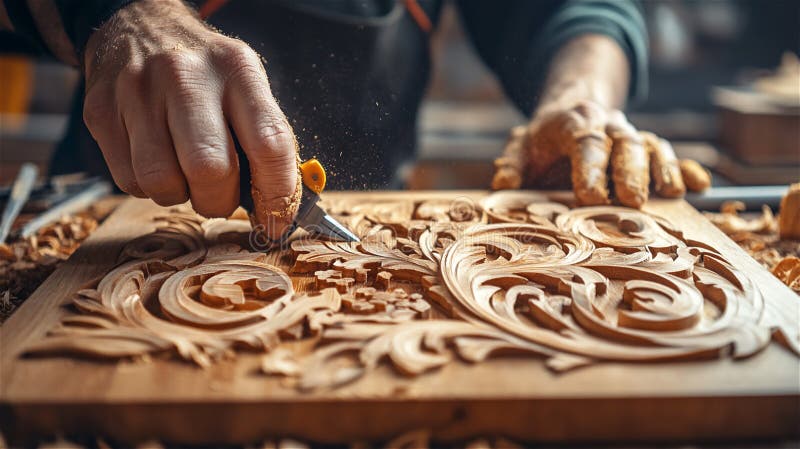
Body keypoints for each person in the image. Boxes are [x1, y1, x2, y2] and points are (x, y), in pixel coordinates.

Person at [0, 0, 704, 240]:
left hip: (367, 212)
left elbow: (566, 9)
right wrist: (117, 13)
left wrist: (582, 94)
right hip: (118, 205)